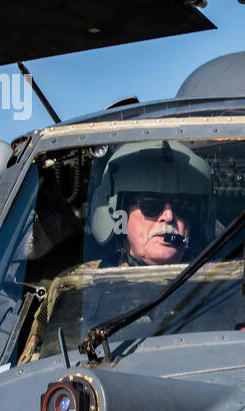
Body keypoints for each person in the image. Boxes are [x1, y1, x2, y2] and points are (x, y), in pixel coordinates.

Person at [17, 140, 214, 362]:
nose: (168, 216)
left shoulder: (218, 282)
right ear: (117, 212)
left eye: (182, 207)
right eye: (151, 205)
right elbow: (34, 369)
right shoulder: (76, 285)